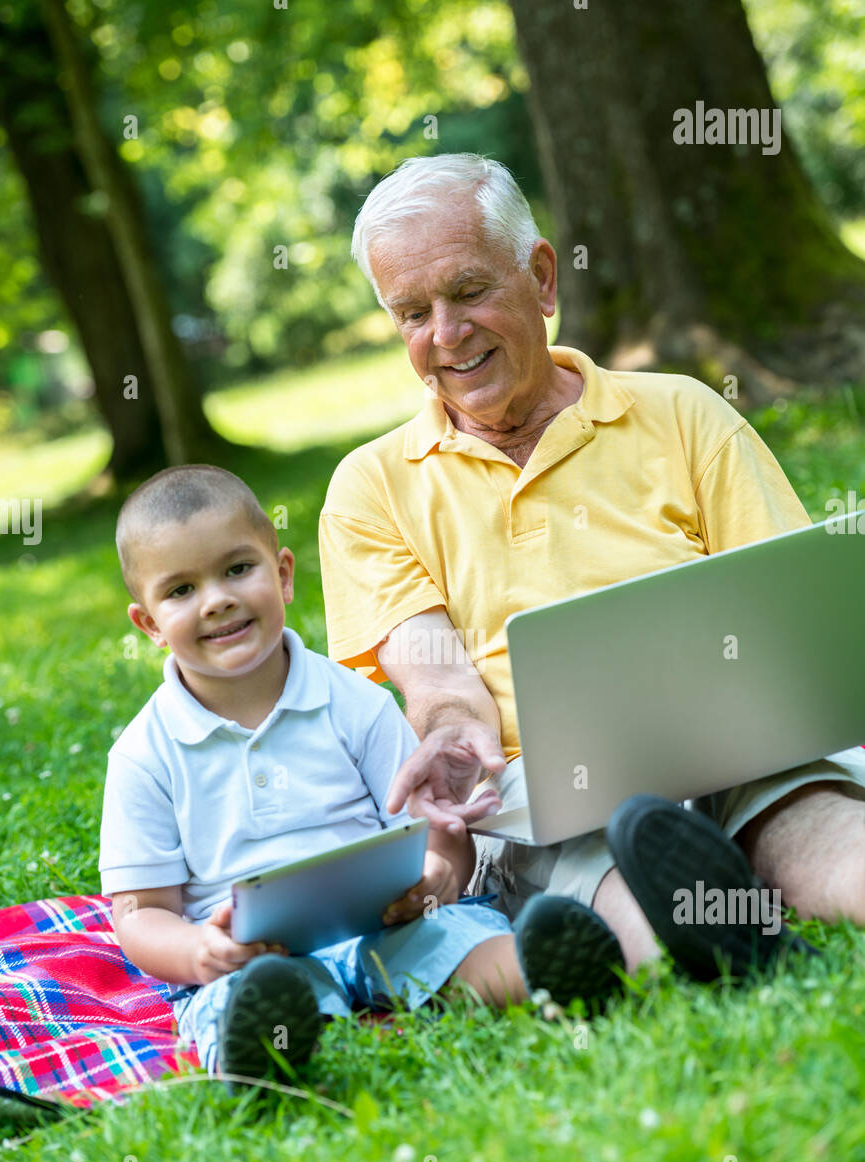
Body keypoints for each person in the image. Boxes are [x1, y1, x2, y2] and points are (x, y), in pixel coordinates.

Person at [318, 153, 865, 990]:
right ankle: (726, 942)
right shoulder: (371, 487)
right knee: (625, 902)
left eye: (467, 293)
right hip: (550, 793)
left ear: (540, 277)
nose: (446, 334)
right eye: (411, 313)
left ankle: (748, 890)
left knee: (830, 841)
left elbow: (789, 614)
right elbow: (432, 672)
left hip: (741, 741)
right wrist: (452, 731)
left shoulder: (681, 412)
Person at [98, 465, 623, 1089]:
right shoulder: (144, 755)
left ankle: (547, 969)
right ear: (149, 623)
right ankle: (268, 1043)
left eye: (238, 569)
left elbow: (432, 829)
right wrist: (198, 954)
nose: (217, 599)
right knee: (243, 997)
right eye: (181, 590)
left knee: (455, 940)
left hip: (383, 918)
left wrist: (433, 880)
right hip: (252, 955)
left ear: (284, 574)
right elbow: (140, 914)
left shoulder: (354, 702)